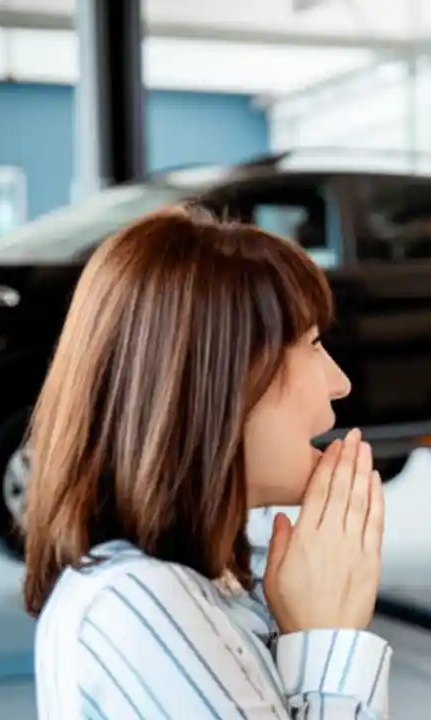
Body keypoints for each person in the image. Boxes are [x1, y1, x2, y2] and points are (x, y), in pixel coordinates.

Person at [23, 207, 392, 719]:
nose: (339, 382)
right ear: (222, 381)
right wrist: (329, 639)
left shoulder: (203, 585)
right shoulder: (142, 602)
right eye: (310, 343)